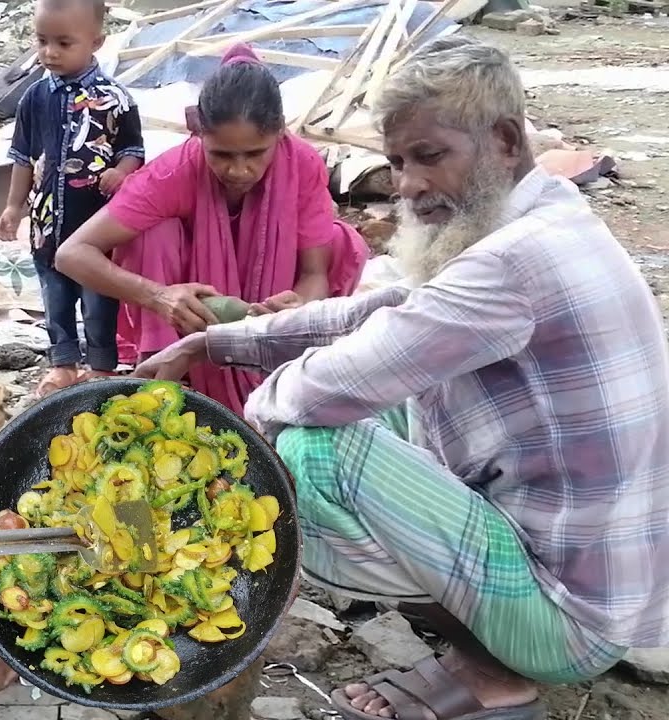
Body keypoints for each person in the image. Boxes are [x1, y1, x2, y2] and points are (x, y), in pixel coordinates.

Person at [135, 37, 669, 720]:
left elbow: (331, 384)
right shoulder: (539, 216)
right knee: (379, 414)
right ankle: (485, 647)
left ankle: (494, 668)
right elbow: (379, 312)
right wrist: (217, 342)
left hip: (572, 622)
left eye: (429, 156)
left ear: (505, 141)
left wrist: (231, 453)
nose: (408, 184)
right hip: (582, 571)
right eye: (396, 162)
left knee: (313, 451)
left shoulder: (515, 262)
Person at [54, 43, 368, 416]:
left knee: (344, 242)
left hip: (267, 312)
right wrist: (158, 296)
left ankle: (277, 357)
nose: (239, 171)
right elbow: (70, 253)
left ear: (280, 133)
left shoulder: (302, 164)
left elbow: (315, 273)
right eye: (221, 155)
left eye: (255, 154)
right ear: (199, 134)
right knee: (153, 233)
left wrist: (298, 307)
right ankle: (164, 365)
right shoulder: (174, 172)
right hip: (189, 311)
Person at [0, 0, 144, 396]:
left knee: (98, 301)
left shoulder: (116, 98)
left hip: (96, 229)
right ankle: (62, 364)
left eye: (63, 42)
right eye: (42, 41)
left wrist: (121, 171)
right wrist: (13, 206)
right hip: (47, 224)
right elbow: (23, 157)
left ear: (96, 42)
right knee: (54, 298)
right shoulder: (34, 98)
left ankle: (100, 366)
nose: (49, 52)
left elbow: (133, 149)